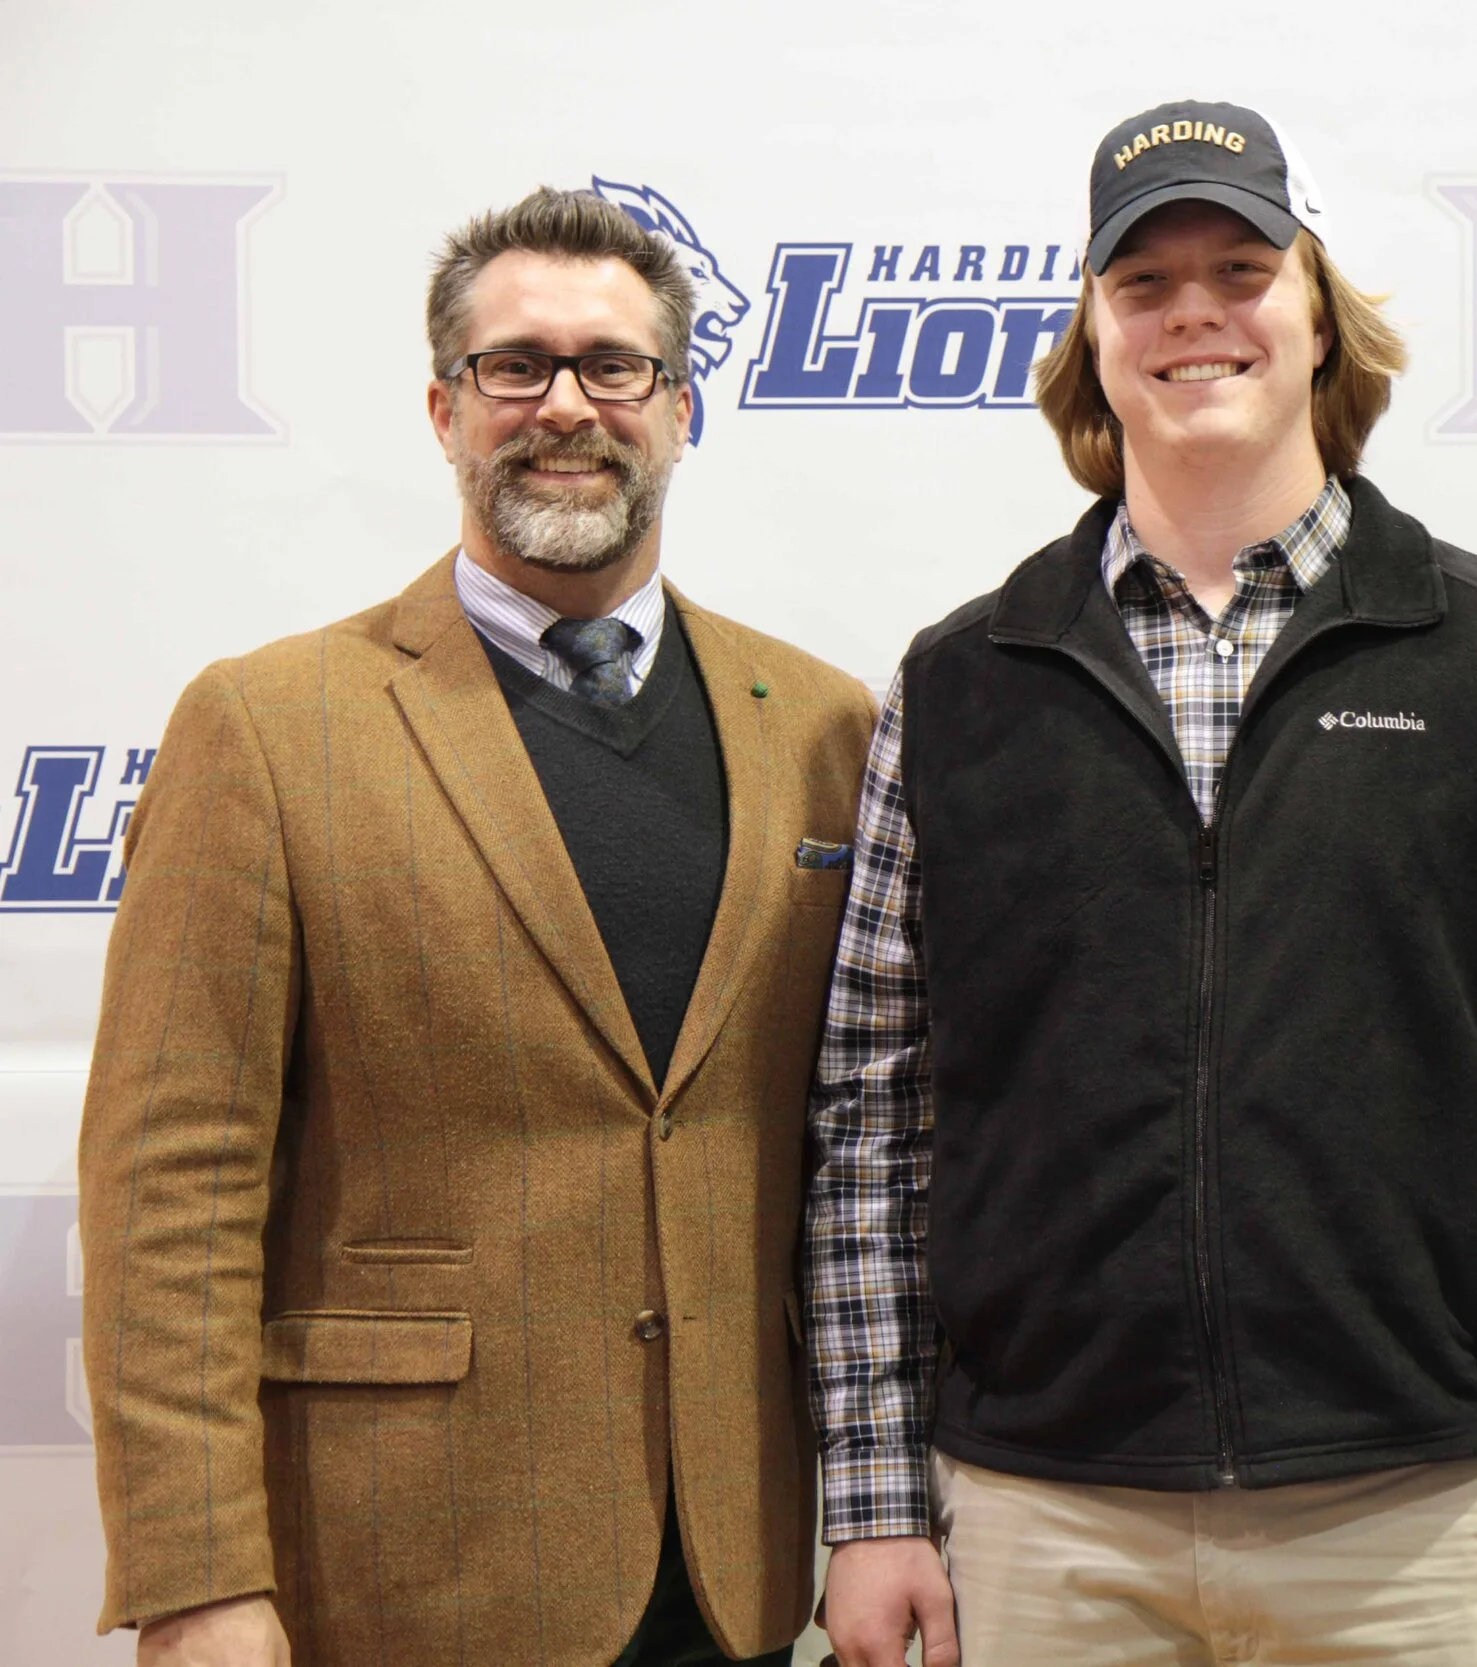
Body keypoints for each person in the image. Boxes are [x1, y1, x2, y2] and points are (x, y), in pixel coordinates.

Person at [805, 101, 1477, 1667]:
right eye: (1143, 282)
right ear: (1094, 337)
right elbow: (876, 1116)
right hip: (1042, 1521)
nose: (1194, 314)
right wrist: (874, 1496)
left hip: (1432, 1518)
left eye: (1241, 268)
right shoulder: (958, 686)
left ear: (1319, 315)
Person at [77, 188, 877, 1667]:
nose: (565, 405)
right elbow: (168, 1188)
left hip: (741, 1563)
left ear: (680, 408)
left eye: (613, 366)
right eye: (516, 366)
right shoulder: (267, 726)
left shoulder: (828, 726)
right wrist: (195, 1575)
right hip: (403, 1567)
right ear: (445, 409)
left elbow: (867, 1150)